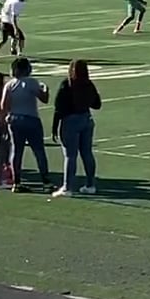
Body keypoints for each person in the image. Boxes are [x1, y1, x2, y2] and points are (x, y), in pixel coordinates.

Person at [52, 59, 103, 198]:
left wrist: (54, 127)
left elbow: (58, 108)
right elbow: (97, 104)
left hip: (70, 121)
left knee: (70, 155)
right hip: (86, 119)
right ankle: (90, 184)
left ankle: (67, 187)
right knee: (87, 153)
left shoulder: (67, 84)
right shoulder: (88, 84)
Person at [3, 57, 50, 193]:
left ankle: (16, 182)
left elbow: (3, 105)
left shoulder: (10, 85)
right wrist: (45, 89)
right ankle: (45, 181)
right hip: (31, 119)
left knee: (16, 151)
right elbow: (44, 98)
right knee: (39, 150)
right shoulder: (31, 82)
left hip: (14, 119)